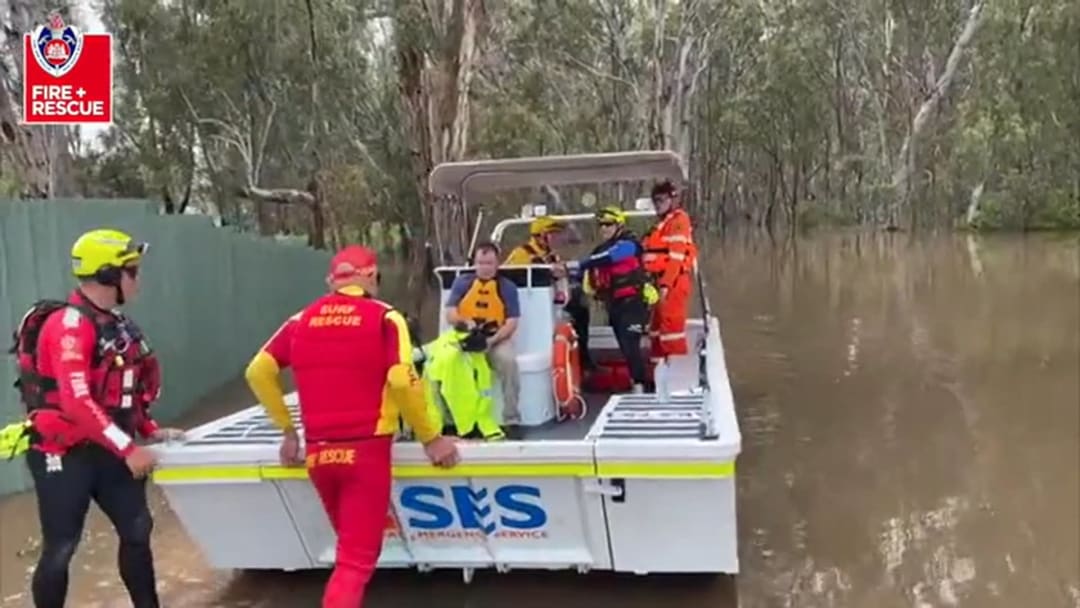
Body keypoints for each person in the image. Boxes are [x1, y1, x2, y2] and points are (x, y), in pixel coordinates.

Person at [244, 244, 460, 608]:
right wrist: (432, 439)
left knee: (350, 552)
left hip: (318, 455)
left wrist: (288, 431)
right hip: (366, 454)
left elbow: (258, 372)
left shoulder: (301, 319)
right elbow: (403, 381)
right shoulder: (385, 318)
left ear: (332, 281)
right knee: (355, 563)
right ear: (372, 276)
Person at [11, 228, 182, 608]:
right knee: (62, 546)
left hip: (110, 450)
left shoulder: (117, 324)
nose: (138, 279)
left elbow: (126, 389)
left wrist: (150, 430)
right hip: (64, 453)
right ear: (108, 276)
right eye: (132, 271)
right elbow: (76, 401)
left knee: (138, 532)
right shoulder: (69, 326)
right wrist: (128, 449)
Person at [565, 207, 657, 393]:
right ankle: (632, 383)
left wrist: (578, 263)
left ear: (619, 225)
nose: (604, 229)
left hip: (634, 302)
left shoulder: (629, 244)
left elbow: (610, 257)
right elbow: (589, 270)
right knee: (623, 344)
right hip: (614, 304)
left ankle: (639, 387)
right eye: (601, 225)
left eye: (608, 224)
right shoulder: (599, 250)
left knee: (630, 344)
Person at [445, 241, 523, 439]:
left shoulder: (507, 287)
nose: (485, 268)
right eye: (481, 263)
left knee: (508, 362)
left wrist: (492, 340)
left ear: (497, 263)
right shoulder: (462, 282)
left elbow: (512, 322)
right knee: (445, 364)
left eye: (489, 263)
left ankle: (512, 419)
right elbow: (450, 314)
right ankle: (453, 421)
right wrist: (465, 323)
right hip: (465, 337)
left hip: (495, 338)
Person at [504, 216, 596, 371]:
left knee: (580, 309)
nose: (558, 238)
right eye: (553, 234)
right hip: (530, 307)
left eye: (558, 234)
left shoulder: (552, 256)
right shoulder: (522, 254)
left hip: (552, 304)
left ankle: (583, 360)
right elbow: (511, 278)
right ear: (540, 236)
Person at [642, 180, 698, 365]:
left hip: (673, 283)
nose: (657, 204)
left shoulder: (679, 221)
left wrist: (665, 285)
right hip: (657, 283)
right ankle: (657, 376)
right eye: (654, 201)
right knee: (656, 331)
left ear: (672, 200)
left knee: (671, 332)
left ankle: (678, 380)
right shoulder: (660, 225)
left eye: (661, 200)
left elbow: (676, 257)